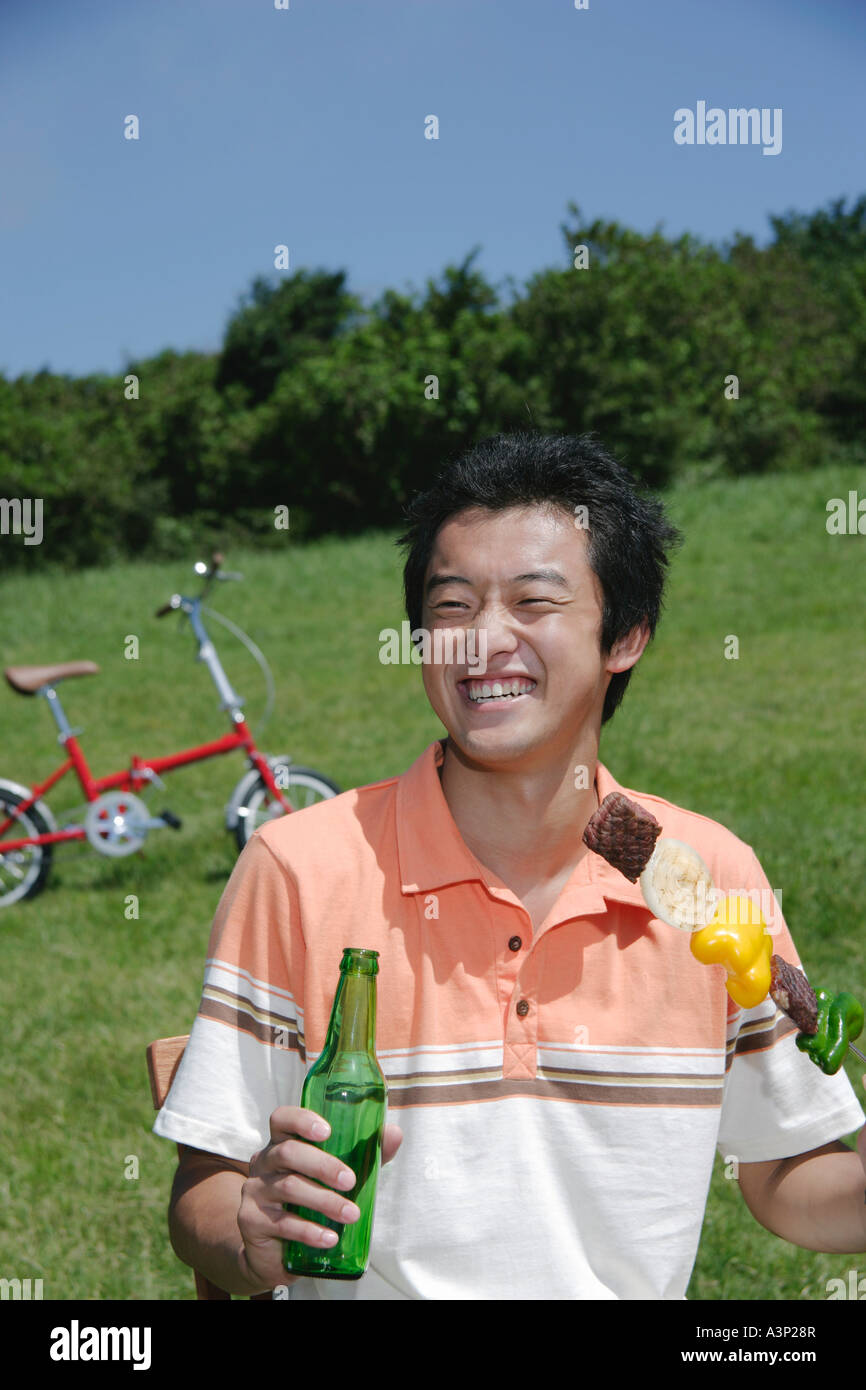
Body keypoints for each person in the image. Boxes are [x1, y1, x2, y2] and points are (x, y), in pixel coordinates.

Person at [154, 431, 866, 1300]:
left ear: (625, 635)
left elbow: (792, 1180)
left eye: (534, 601)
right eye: (452, 607)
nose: (482, 641)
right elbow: (205, 1189)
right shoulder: (300, 868)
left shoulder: (710, 877)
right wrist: (250, 1228)